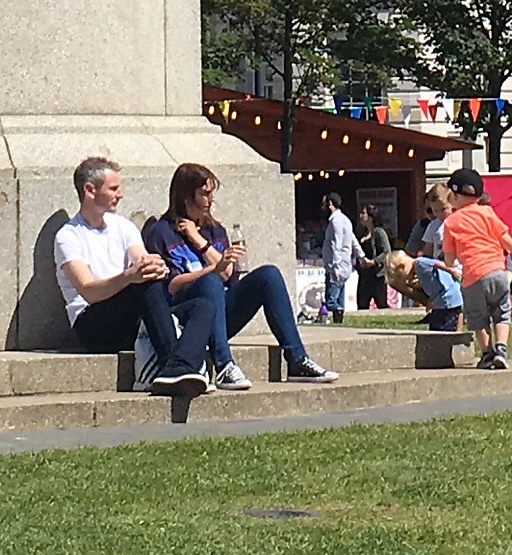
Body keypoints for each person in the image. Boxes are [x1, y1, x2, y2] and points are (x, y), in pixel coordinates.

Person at [145, 163, 337, 388]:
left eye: (212, 193)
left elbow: (227, 273)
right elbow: (168, 287)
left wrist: (198, 239)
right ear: (186, 196)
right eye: (204, 194)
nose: (211, 200)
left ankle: (297, 359)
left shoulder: (214, 230)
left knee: (269, 275)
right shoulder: (161, 233)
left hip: (221, 311)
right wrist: (210, 271)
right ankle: (224, 365)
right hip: (188, 317)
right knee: (210, 281)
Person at [52, 156, 218, 396]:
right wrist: (130, 276)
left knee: (203, 306)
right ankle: (174, 361)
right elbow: (88, 291)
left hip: (132, 316)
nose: (120, 194)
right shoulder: (68, 236)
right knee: (144, 285)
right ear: (90, 190)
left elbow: (142, 260)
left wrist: (155, 266)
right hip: (93, 323)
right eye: (113, 189)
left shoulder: (123, 226)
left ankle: (180, 366)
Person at [442, 170, 512, 371]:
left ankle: (487, 353)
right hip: (497, 271)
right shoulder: (487, 212)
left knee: (478, 317)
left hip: (473, 277)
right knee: (502, 312)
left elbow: (449, 258)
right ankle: (501, 350)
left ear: (456, 195)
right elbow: (504, 236)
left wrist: (451, 265)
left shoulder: (451, 222)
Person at [413, 182, 466, 332]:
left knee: (458, 301)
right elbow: (428, 250)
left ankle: (458, 329)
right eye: (435, 211)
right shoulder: (433, 226)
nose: (440, 214)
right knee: (441, 296)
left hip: (457, 267)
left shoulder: (457, 222)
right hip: (440, 268)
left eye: (444, 209)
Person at [321, 192, 367, 323]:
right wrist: (361, 255)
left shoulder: (336, 222)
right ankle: (338, 321)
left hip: (337, 266)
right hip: (345, 265)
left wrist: (335, 267)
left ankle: (335, 314)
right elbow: (353, 240)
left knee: (331, 299)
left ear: (330, 204)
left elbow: (337, 244)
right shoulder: (346, 220)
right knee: (339, 297)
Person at [355, 207, 392, 310]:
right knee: (362, 304)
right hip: (364, 275)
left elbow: (387, 252)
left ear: (371, 217)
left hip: (377, 275)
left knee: (381, 304)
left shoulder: (379, 232)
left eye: (363, 213)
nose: (361, 216)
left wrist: (374, 261)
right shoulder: (362, 232)